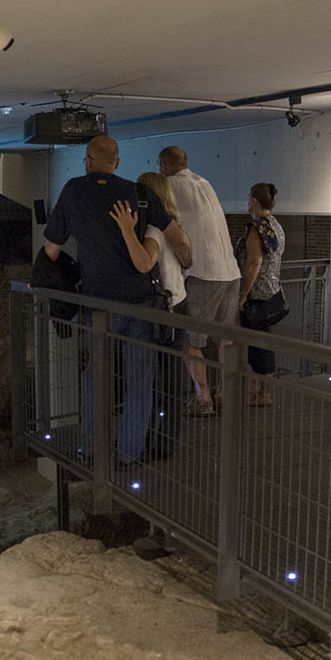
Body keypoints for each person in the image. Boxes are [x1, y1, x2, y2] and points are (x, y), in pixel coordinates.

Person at [43, 135, 192, 466]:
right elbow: (176, 235)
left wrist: (46, 288)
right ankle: (128, 453)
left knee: (95, 378)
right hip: (140, 303)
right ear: (118, 162)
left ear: (87, 161)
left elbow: (52, 249)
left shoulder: (73, 190)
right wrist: (187, 260)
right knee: (139, 380)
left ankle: (89, 448)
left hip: (98, 305)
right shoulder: (138, 193)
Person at [159, 146, 240, 415]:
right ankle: (226, 394)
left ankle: (203, 397)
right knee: (225, 339)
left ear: (164, 165)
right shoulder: (205, 183)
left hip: (202, 273)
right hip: (231, 271)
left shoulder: (169, 186)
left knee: (191, 340)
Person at [136, 171, 192, 458]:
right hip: (178, 303)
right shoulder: (175, 226)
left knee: (151, 377)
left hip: (160, 308)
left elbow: (146, 263)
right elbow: (186, 261)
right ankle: (168, 440)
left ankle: (149, 440)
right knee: (171, 376)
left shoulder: (151, 229)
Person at [236, 182, 286, 406]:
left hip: (258, 294)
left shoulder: (257, 228)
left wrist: (243, 294)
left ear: (254, 201)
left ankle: (262, 392)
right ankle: (261, 391)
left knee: (257, 344)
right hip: (273, 291)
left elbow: (253, 262)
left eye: (249, 198)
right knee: (262, 341)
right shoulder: (276, 226)